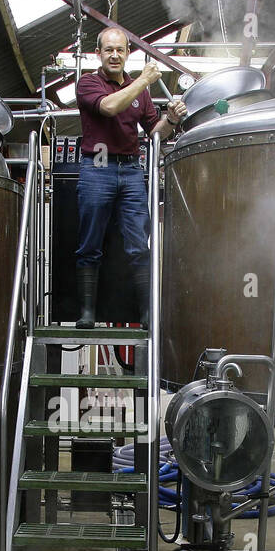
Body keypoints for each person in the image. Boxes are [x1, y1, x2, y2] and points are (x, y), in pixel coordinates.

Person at [74, 26, 187, 329]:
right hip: (97, 167)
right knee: (90, 243)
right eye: (108, 49)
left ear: (127, 53)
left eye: (120, 50)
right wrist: (144, 80)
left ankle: (147, 313)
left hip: (131, 170)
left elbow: (155, 132)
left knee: (140, 243)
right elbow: (110, 107)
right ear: (98, 53)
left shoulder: (141, 92)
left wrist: (172, 119)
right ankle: (87, 314)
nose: (114, 55)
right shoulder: (88, 83)